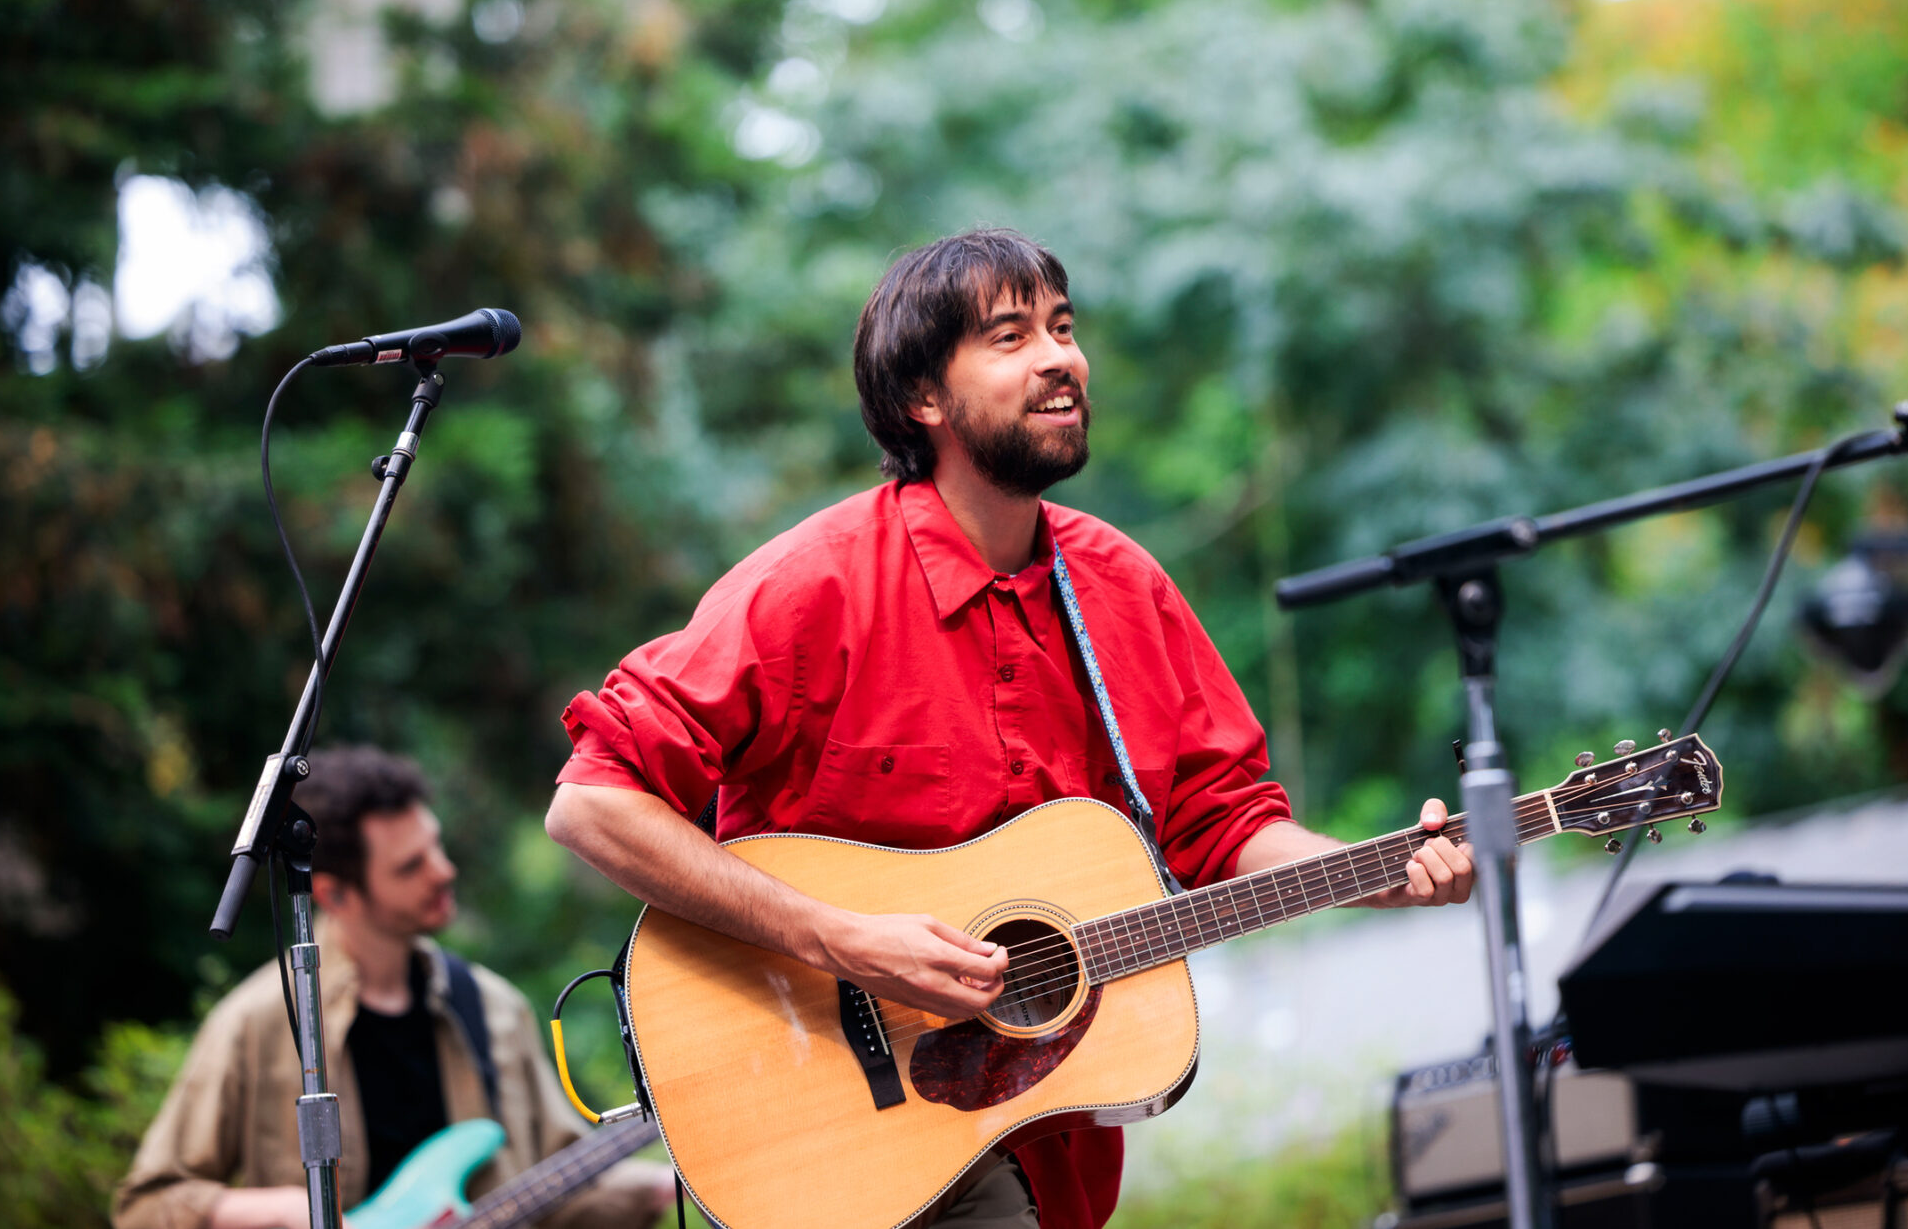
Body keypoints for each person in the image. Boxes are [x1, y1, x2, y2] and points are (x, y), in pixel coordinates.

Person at [543, 228, 1474, 1229]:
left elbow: (1219, 818)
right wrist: (845, 939)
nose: (1058, 357)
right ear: (923, 399)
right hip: (827, 1129)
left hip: (1038, 1146)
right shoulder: (811, 586)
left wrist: (1366, 870)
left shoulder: (1122, 585)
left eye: (1063, 329)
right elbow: (592, 806)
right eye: (1009, 335)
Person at [115, 746, 673, 1229]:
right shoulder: (258, 1020)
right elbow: (147, 1205)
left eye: (435, 846)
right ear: (334, 896)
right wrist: (290, 1208)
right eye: (411, 866)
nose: (443, 870)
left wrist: (662, 1185)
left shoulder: (494, 1007)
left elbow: (559, 1192)